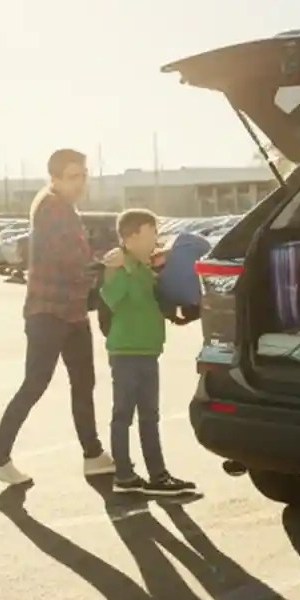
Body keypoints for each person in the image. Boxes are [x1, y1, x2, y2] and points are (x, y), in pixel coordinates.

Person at [0, 149, 114, 485]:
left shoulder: (63, 206)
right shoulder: (52, 206)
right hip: (49, 312)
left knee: (83, 382)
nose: (80, 182)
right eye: (73, 176)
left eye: (84, 174)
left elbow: (76, 260)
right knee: (35, 384)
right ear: (55, 177)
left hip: (70, 312)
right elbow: (72, 260)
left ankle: (93, 454)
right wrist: (108, 263)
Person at [98, 209, 197, 495]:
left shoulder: (144, 268)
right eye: (150, 232)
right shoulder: (118, 265)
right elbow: (111, 298)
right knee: (123, 415)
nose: (156, 238)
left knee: (150, 416)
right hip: (126, 352)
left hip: (148, 351)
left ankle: (158, 476)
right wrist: (118, 268)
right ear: (130, 238)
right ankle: (125, 476)